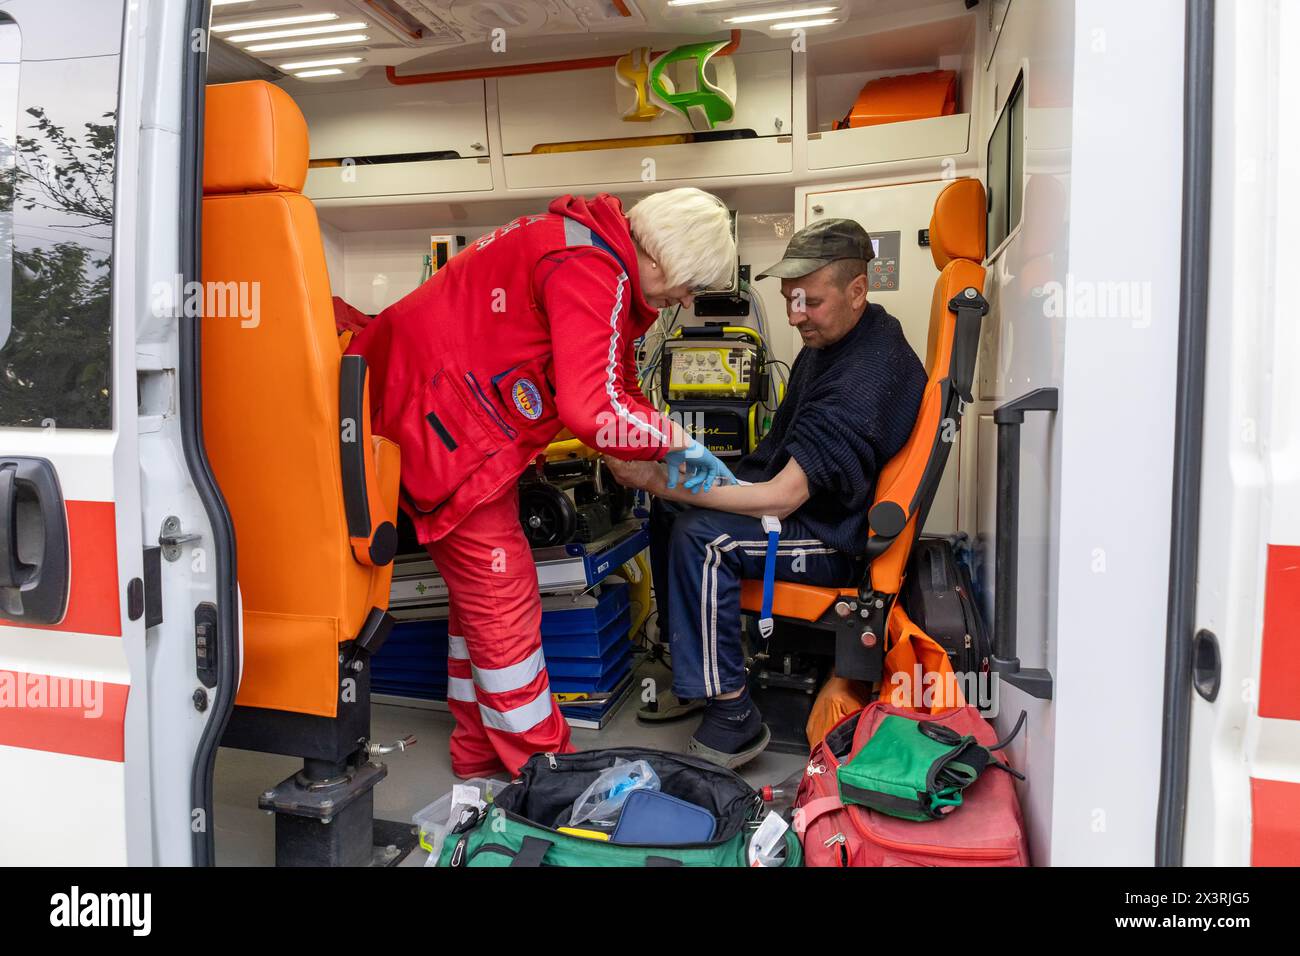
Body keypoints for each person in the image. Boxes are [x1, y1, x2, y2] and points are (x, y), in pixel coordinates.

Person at [348, 189, 736, 778]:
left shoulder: (586, 249)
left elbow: (617, 386)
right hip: (441, 428)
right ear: (667, 257)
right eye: (690, 285)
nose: (686, 300)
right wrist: (678, 442)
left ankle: (478, 750)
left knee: (480, 603)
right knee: (502, 594)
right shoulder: (591, 266)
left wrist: (660, 440)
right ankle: (545, 766)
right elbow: (591, 407)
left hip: (432, 414)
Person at [605, 219, 927, 769]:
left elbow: (780, 498)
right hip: (806, 507)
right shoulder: (839, 341)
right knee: (671, 511)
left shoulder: (867, 372)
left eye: (810, 301)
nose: (794, 314)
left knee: (702, 538)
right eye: (789, 299)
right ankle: (701, 678)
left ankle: (734, 715)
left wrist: (659, 478)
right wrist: (679, 475)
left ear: (858, 290)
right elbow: (774, 466)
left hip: (832, 538)